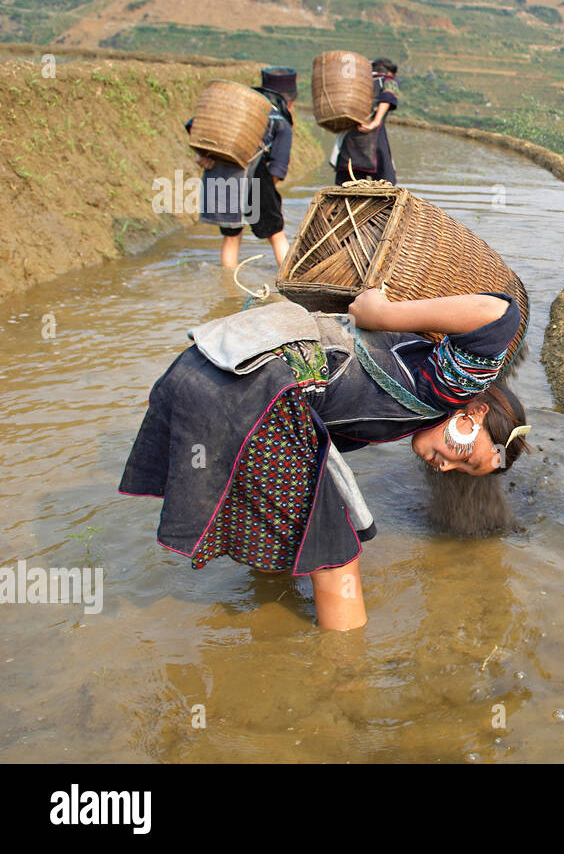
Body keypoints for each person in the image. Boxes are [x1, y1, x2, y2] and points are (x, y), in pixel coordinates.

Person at [119, 288, 531, 631]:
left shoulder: (415, 366)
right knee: (336, 554)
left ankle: (268, 624)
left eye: (461, 472)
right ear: (473, 415)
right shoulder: (446, 387)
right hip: (256, 390)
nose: (447, 468)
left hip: (206, 370)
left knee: (290, 526)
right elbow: (499, 315)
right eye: (468, 460)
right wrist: (383, 312)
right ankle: (344, 685)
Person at [191, 66, 297, 269]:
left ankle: (229, 290)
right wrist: (266, 194)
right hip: (256, 177)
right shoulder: (280, 122)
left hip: (224, 172)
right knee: (276, 233)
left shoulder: (238, 110)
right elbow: (277, 168)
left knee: (232, 236)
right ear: (290, 102)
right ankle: (289, 280)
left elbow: (196, 126)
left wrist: (201, 156)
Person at [333, 57, 399, 185]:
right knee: (385, 181)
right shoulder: (388, 80)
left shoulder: (358, 81)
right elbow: (387, 98)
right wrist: (374, 123)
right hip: (373, 137)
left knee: (349, 183)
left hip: (350, 137)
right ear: (389, 72)